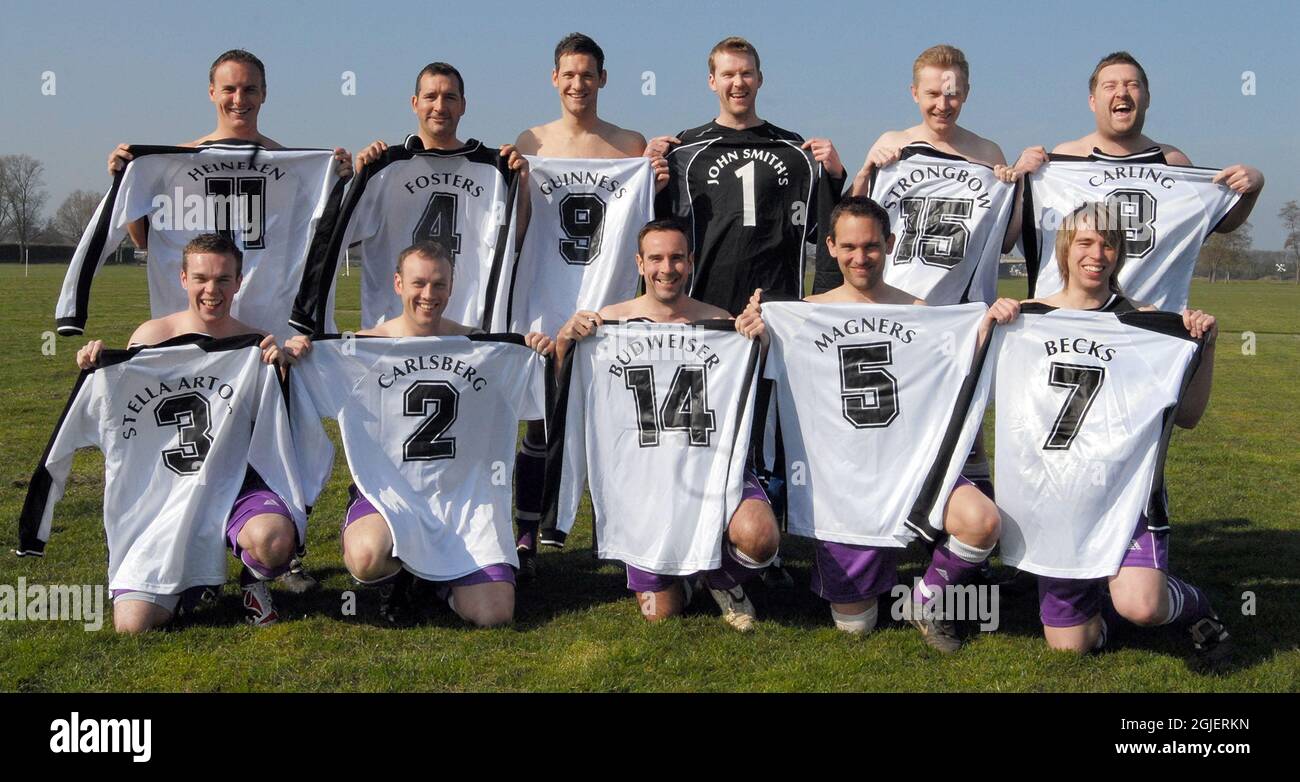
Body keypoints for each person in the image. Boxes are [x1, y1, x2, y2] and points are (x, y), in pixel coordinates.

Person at [101, 49, 349, 593]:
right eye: (229, 90)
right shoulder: (173, 162)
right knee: (199, 448)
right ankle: (193, 549)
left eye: (250, 90)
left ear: (265, 94)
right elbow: (149, 241)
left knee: (284, 445)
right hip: (198, 337)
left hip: (268, 336)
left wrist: (337, 178)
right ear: (212, 93)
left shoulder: (295, 166)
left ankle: (281, 553)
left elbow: (323, 235)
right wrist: (129, 177)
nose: (239, 100)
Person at [736, 197, 1002, 651]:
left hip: (911, 466)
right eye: (851, 247)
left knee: (981, 521)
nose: (861, 258)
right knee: (855, 626)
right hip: (842, 482)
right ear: (832, 249)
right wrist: (753, 333)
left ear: (890, 245)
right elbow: (758, 370)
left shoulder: (922, 312)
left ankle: (926, 597)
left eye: (872, 247)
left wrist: (991, 325)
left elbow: (966, 363)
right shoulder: (799, 316)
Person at [983, 202, 1229, 667]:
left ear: (1120, 252)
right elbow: (971, 386)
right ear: (1064, 249)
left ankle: (1193, 604)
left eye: (1109, 243)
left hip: (1126, 491)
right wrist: (988, 327)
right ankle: (1097, 591)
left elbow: (1190, 417)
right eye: (1085, 242)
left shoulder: (1148, 323)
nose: (1097, 253)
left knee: (1143, 607)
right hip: (1053, 497)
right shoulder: (1025, 319)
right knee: (1071, 647)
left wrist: (1206, 346)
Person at [285, 242, 552, 626]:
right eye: (419, 283)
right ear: (397, 283)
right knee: (366, 556)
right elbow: (304, 391)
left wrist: (535, 352)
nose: (429, 295)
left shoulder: (481, 346)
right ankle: (402, 579)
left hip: (462, 499)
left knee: (494, 616)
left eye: (439, 285)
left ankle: (436, 583)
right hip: (390, 492)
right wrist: (298, 356)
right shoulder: (361, 348)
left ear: (451, 286)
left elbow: (537, 397)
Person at [555, 219, 781, 631]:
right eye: (656, 258)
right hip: (642, 478)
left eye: (677, 258)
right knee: (662, 612)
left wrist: (759, 341)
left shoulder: (719, 323)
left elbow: (753, 385)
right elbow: (564, 384)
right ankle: (688, 578)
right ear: (640, 264)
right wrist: (566, 342)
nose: (667, 268)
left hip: (709, 466)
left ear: (691, 263)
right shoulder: (607, 323)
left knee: (760, 537)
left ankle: (721, 580)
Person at [75, 233, 300, 631]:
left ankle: (254, 580)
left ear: (239, 281)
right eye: (200, 278)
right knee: (134, 626)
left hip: (232, 481)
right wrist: (98, 368)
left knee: (274, 540)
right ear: (182, 279)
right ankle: (196, 585)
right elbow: (120, 418)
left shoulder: (253, 344)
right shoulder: (149, 339)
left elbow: (276, 428)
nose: (211, 290)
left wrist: (283, 370)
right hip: (166, 490)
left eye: (222, 279)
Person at [509, 33, 660, 577]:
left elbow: (644, 226)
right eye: (568, 74)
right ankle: (527, 531)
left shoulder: (629, 146)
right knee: (539, 421)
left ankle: (614, 530)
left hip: (610, 298)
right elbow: (518, 229)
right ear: (555, 78)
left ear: (603, 79)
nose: (578, 84)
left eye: (588, 74)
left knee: (612, 423)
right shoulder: (531, 140)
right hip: (546, 293)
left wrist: (655, 180)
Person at [848, 44, 1016, 498]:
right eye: (933, 94)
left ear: (966, 93)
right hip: (898, 314)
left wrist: (1015, 187)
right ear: (914, 92)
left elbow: (1007, 238)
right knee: (892, 421)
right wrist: (866, 168)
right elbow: (856, 214)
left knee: (966, 428)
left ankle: (963, 536)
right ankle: (888, 520)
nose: (943, 104)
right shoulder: (893, 144)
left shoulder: (987, 152)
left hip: (960, 318)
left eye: (953, 94)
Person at [1010, 51, 1262, 232]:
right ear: (1092, 102)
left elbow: (1219, 223)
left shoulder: (1173, 161)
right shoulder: (1063, 158)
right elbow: (1016, 232)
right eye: (1110, 86)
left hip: (1155, 305)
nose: (1121, 92)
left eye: (1132, 85)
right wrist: (1018, 178)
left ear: (1147, 98)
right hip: (1079, 306)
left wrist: (1251, 191)